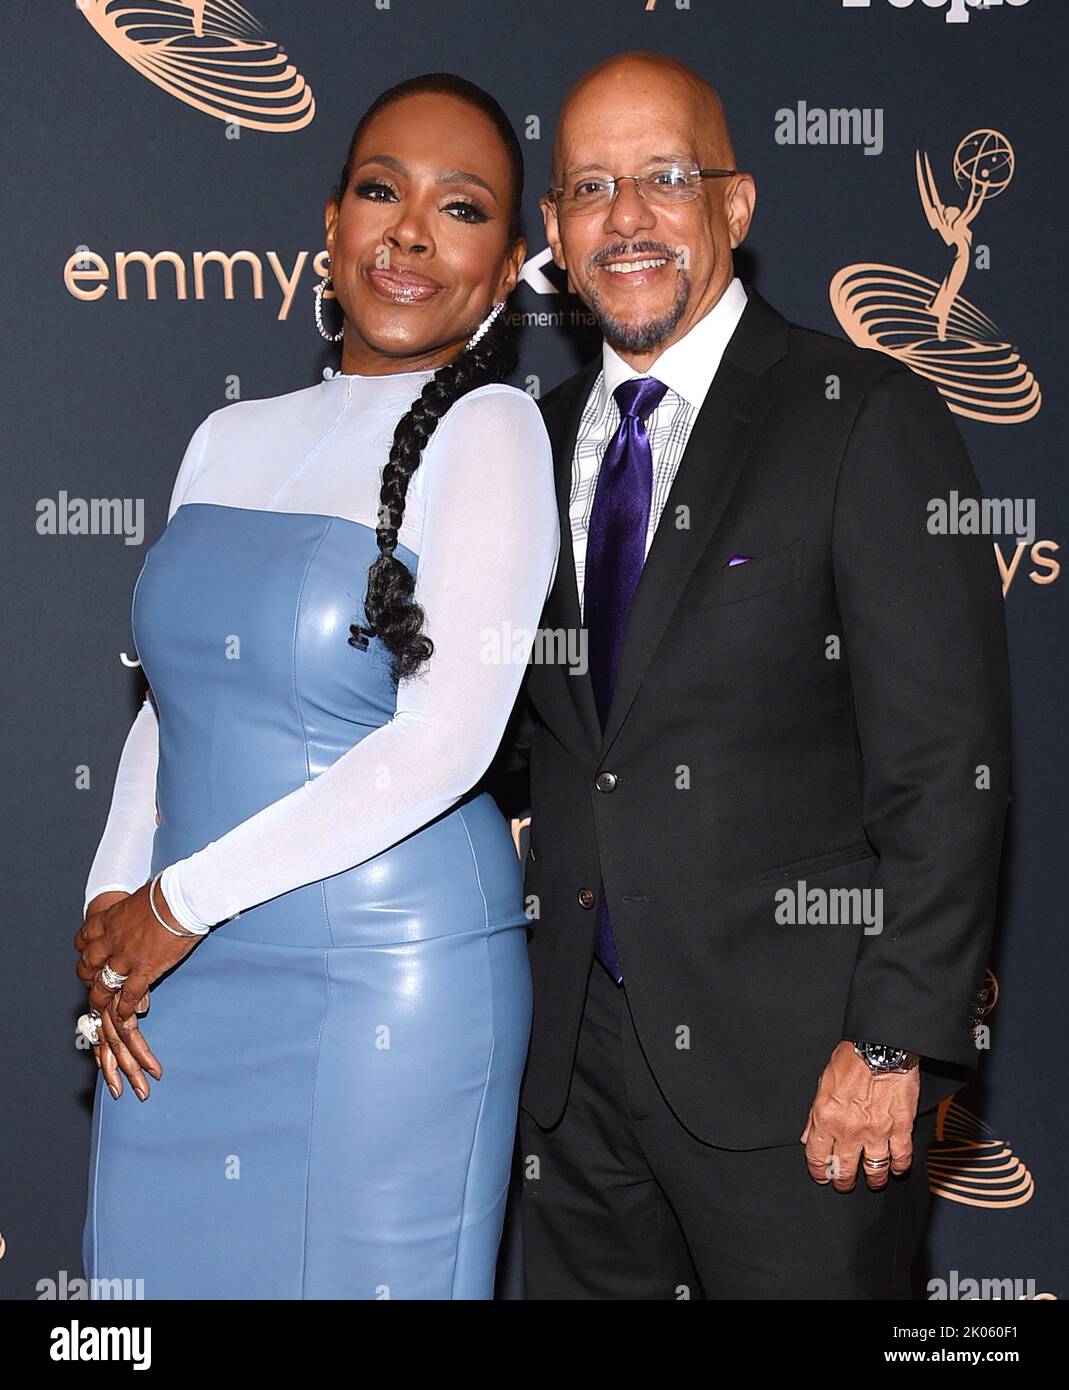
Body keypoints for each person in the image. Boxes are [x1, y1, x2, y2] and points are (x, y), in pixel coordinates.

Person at [512, 51, 1011, 1299]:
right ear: (555, 232)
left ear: (736, 206)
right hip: (576, 1078)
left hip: (806, 1079)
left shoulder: (860, 413)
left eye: (664, 178)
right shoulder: (523, 439)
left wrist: (893, 1040)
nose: (625, 217)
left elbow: (946, 767)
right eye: (588, 187)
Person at [74, 72, 558, 1300]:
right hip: (177, 972)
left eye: (462, 209)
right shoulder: (225, 437)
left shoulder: (493, 432)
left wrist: (178, 903)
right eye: (381, 191)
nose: (409, 233)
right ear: (332, 222)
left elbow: (445, 742)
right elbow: (167, 712)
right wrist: (114, 907)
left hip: (384, 983)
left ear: (507, 268)